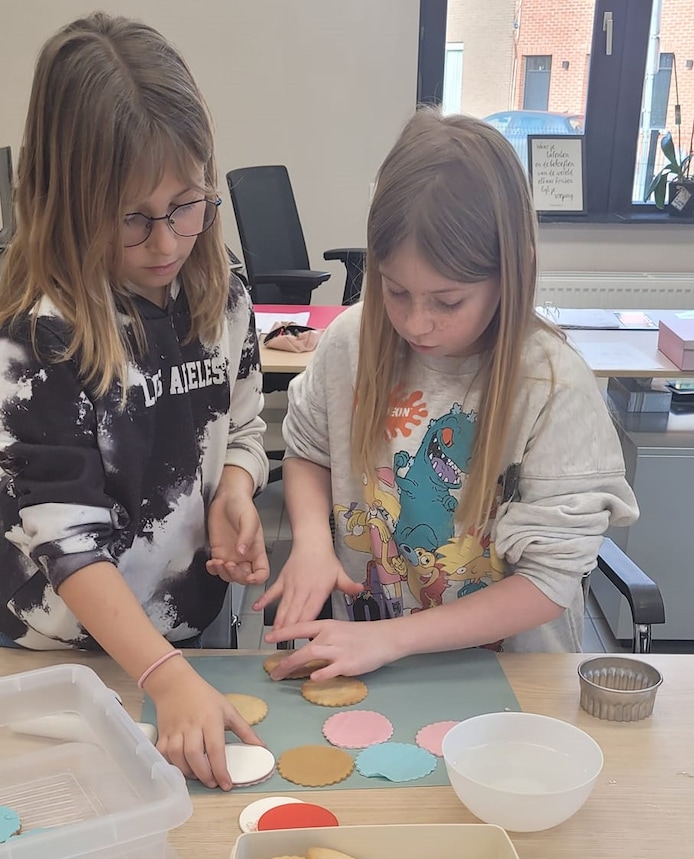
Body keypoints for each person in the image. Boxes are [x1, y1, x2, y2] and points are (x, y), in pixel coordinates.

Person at [256, 107, 639, 679]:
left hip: (509, 685)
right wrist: (312, 541)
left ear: (512, 273)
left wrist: (394, 638)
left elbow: (547, 582)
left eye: (448, 301)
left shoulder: (552, 387)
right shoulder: (350, 342)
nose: (417, 322)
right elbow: (309, 450)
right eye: (396, 290)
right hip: (373, 667)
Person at [0, 13, 269, 790]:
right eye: (131, 217)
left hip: (189, 633)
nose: (166, 243)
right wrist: (161, 673)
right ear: (64, 199)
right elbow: (64, 534)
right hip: (62, 657)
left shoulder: (223, 297)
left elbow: (245, 420)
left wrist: (237, 491)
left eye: (187, 204)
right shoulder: (39, 334)